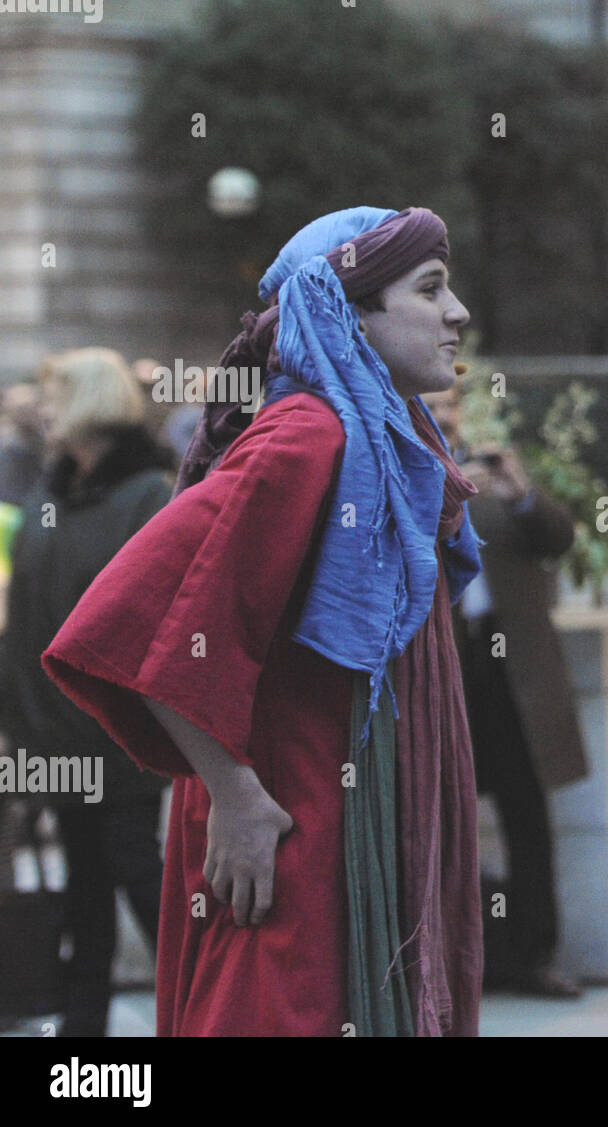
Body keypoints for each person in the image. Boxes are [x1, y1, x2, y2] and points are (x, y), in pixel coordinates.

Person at [42, 207, 484, 1037]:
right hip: (298, 829)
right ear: (344, 313)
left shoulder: (383, 438)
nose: (457, 312)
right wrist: (236, 795)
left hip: (348, 819)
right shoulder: (307, 437)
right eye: (430, 288)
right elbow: (131, 614)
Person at [2, 349, 174, 1036]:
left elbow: (154, 611)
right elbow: (29, 609)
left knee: (139, 868)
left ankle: (206, 1007)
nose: (43, 408)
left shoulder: (148, 493)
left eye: (57, 394)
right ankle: (83, 1039)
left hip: (120, 725)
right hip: (53, 726)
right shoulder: (51, 492)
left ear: (91, 402)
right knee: (85, 888)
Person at [428, 385, 588, 997]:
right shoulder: (407, 468)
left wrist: (521, 496)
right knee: (440, 815)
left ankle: (532, 954)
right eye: (434, 407)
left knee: (527, 813)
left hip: (510, 665)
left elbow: (560, 540)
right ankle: (447, 953)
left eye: (452, 407)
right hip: (444, 666)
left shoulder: (495, 473)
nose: (445, 417)